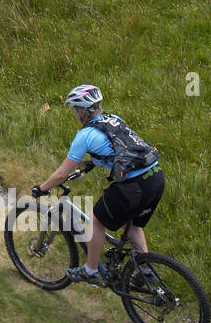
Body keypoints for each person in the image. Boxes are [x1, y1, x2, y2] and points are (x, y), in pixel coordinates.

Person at [33, 84, 164, 286]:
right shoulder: (113, 120)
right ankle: (146, 271)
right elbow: (121, 146)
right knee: (131, 225)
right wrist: (92, 163)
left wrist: (42, 188)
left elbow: (60, 174)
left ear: (83, 111)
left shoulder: (84, 136)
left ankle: (90, 270)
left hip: (134, 185)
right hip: (155, 177)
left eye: (76, 110)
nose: (75, 114)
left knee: (96, 220)